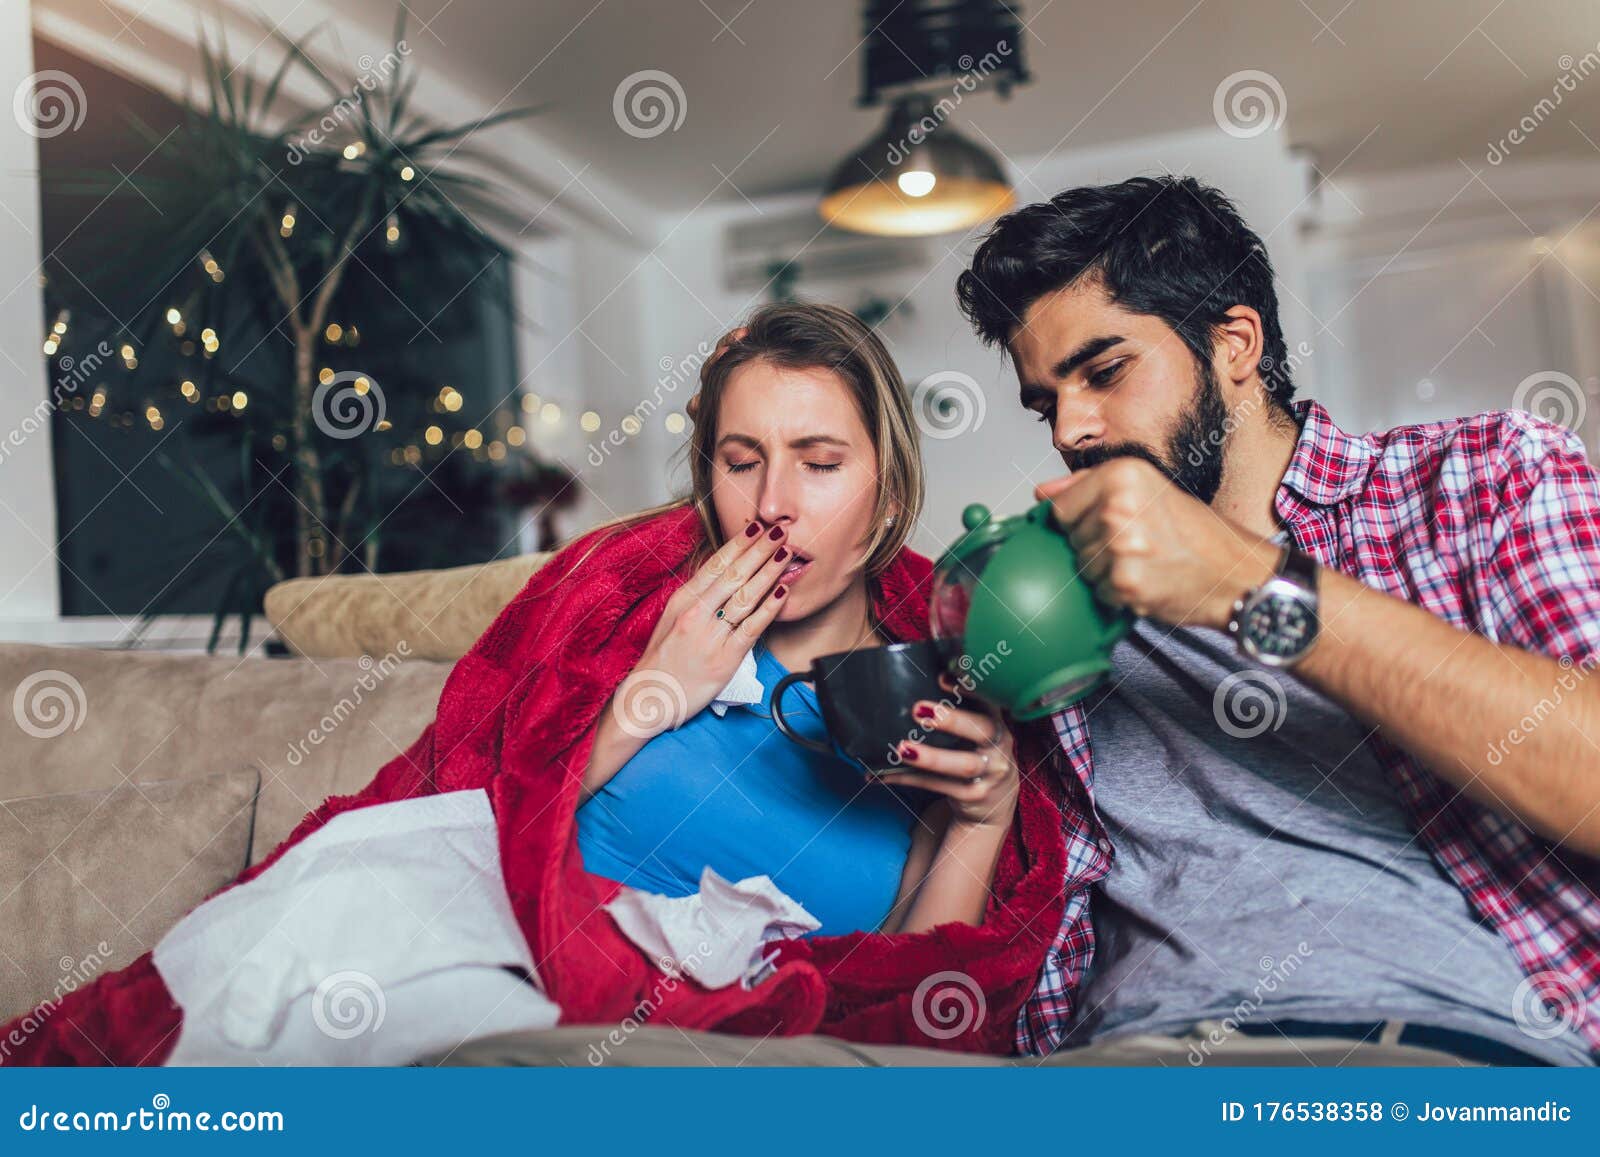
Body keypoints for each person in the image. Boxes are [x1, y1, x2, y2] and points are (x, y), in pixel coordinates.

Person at [956, 175, 1600, 1066]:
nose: (1072, 428)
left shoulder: (1485, 478)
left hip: (1416, 1044)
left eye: (1104, 373)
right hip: (1105, 1068)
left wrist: (1243, 582)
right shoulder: (1055, 605)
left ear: (1234, 344)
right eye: (1046, 401)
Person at [576, 300, 1021, 936]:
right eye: (740, 462)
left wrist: (984, 822)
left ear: (889, 499)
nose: (771, 504)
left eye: (819, 464)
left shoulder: (927, 702)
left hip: (754, 1035)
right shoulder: (647, 616)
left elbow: (909, 985)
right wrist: (654, 690)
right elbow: (494, 830)